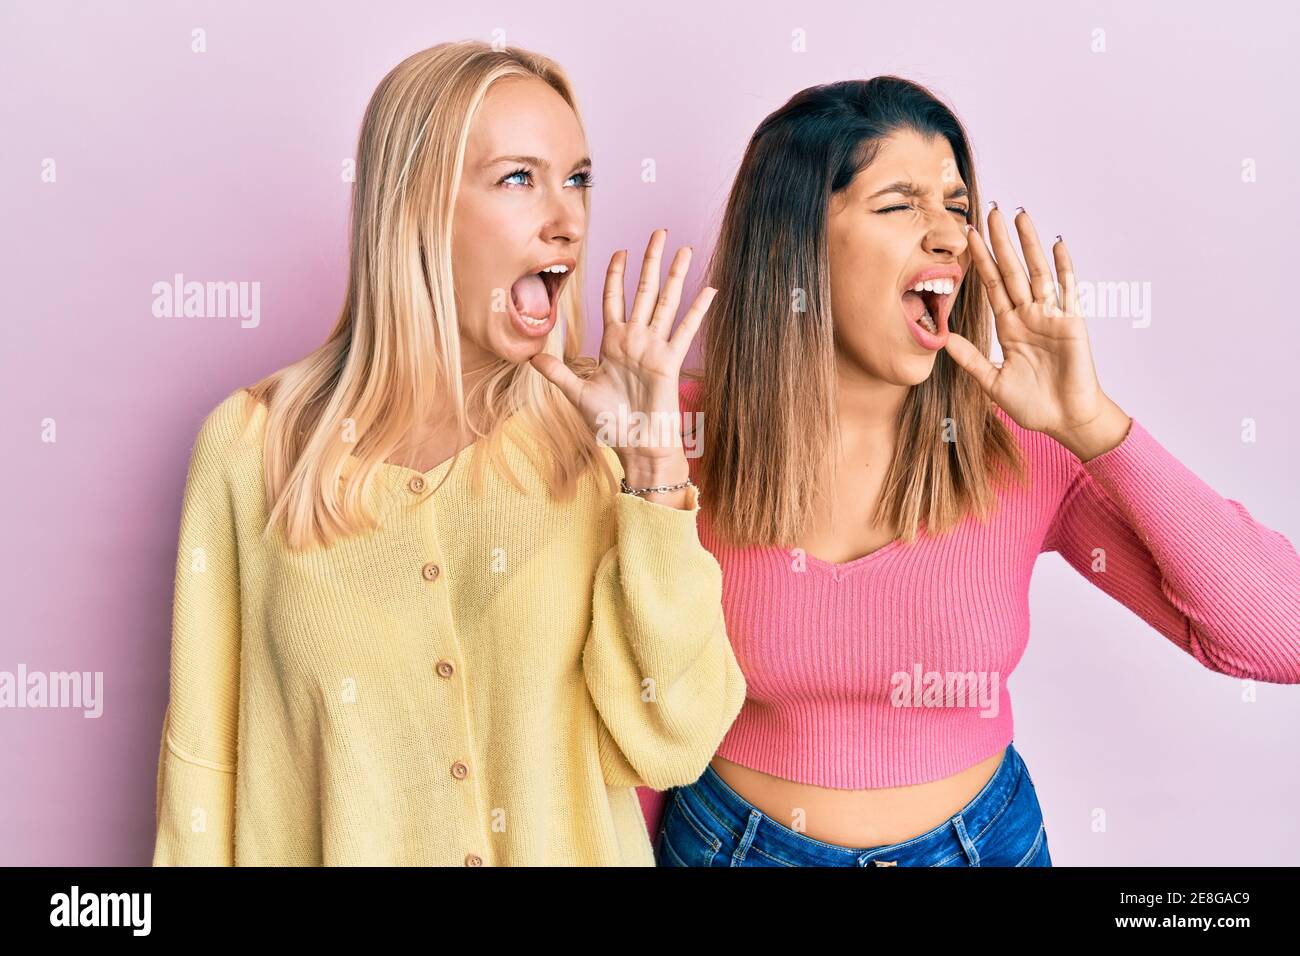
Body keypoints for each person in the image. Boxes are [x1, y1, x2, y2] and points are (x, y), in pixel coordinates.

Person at [650, 75, 1300, 867]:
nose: (952, 237)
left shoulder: (1022, 442)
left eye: (956, 206)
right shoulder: (669, 435)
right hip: (731, 846)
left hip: (982, 847)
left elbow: (1279, 638)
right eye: (901, 205)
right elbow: (630, 714)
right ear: (793, 243)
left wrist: (1094, 426)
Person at [151, 39, 744, 866]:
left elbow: (673, 744)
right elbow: (201, 779)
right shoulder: (251, 449)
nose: (567, 217)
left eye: (577, 178)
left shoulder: (594, 443)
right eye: (518, 178)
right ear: (415, 205)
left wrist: (652, 468)